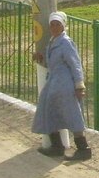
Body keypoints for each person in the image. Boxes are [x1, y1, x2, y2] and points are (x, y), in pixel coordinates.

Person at [31, 11, 92, 161]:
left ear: (63, 26)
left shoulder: (65, 43)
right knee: (49, 112)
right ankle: (57, 146)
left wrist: (80, 86)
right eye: (52, 25)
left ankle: (83, 149)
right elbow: (54, 64)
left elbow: (75, 65)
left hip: (65, 87)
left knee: (72, 115)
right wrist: (41, 60)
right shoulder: (53, 41)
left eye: (57, 24)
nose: (54, 27)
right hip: (53, 85)